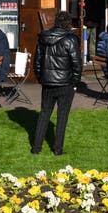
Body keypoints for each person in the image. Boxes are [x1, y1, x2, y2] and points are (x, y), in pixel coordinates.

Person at [31, 10, 82, 155]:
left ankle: (36, 148)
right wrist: (75, 83)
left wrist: (42, 79)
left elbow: (37, 62)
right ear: (68, 23)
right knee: (62, 116)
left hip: (49, 83)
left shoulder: (43, 37)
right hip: (65, 84)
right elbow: (77, 64)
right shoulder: (70, 39)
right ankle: (57, 149)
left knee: (44, 114)